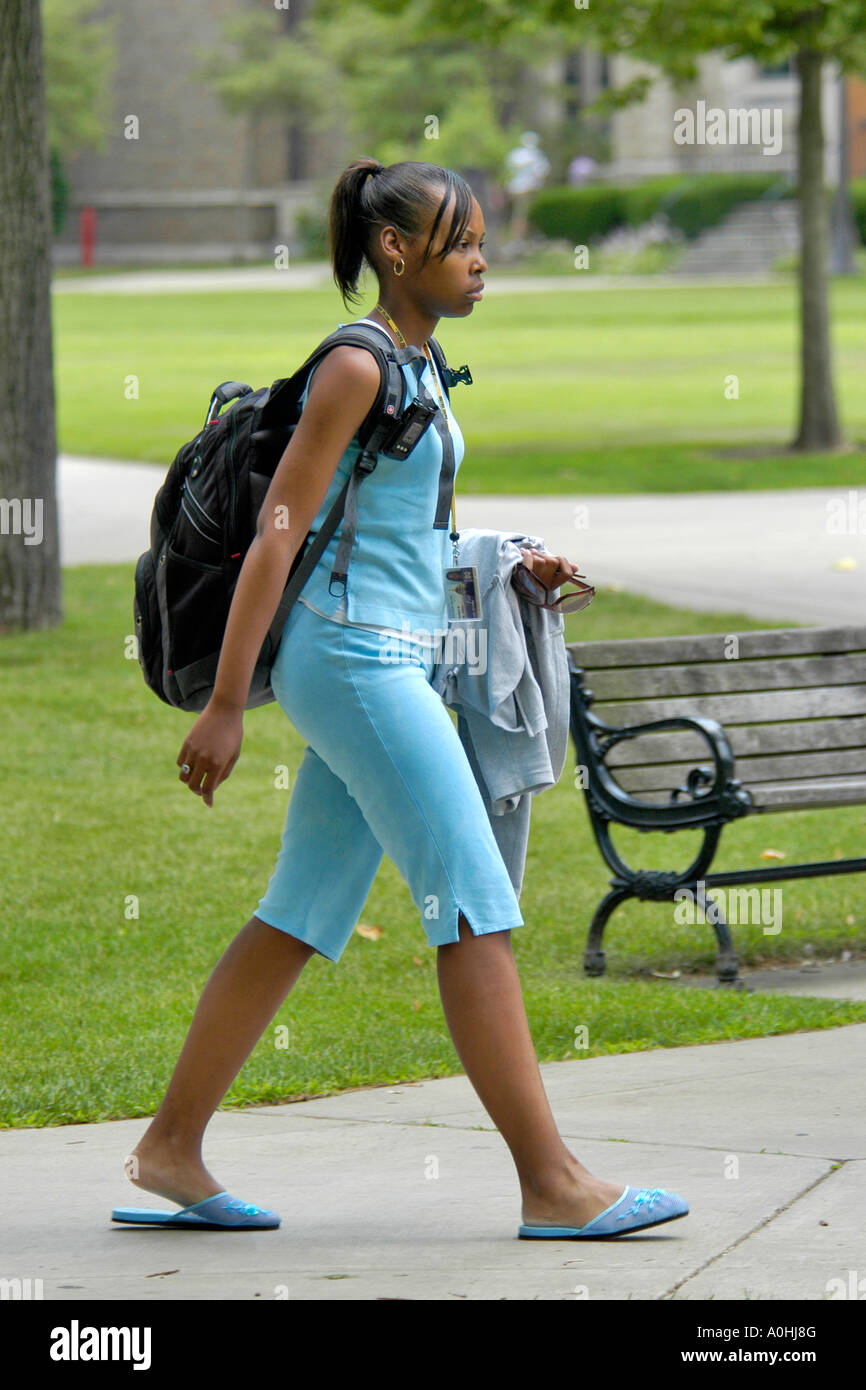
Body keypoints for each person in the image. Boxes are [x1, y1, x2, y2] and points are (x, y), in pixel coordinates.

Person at [115, 157, 689, 1239]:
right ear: (395, 250)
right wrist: (229, 701)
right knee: (469, 901)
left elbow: (393, 535)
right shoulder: (354, 366)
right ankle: (552, 1184)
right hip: (356, 667)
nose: (481, 258)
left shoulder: (418, 369)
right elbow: (278, 534)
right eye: (461, 239)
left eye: (479, 238)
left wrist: (512, 563)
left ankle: (168, 1150)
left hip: (387, 655)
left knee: (298, 912)